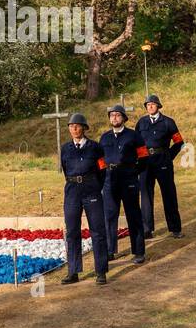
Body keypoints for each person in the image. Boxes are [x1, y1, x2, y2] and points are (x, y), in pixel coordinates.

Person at [59, 112, 108, 285]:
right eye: (71, 126)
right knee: (72, 231)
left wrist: (94, 187)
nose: (74, 128)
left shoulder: (95, 147)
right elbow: (65, 169)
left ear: (84, 128)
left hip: (91, 190)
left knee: (98, 230)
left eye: (77, 126)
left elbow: (103, 171)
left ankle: (101, 271)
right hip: (72, 191)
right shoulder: (65, 148)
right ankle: (73, 271)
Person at [100, 104, 148, 265]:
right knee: (109, 216)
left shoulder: (134, 136)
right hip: (109, 180)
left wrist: (133, 172)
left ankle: (139, 251)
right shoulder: (104, 137)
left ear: (124, 118)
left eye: (117, 115)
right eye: (112, 115)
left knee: (133, 215)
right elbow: (100, 162)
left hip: (128, 179)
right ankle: (109, 250)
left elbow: (144, 157)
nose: (114, 118)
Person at [136, 94, 185, 239]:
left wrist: (169, 156)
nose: (150, 106)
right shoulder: (141, 122)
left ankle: (175, 228)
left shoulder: (168, 122)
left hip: (163, 161)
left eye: (152, 104)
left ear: (158, 106)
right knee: (145, 195)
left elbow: (178, 141)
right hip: (145, 162)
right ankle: (147, 228)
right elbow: (136, 143)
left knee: (169, 193)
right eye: (147, 105)